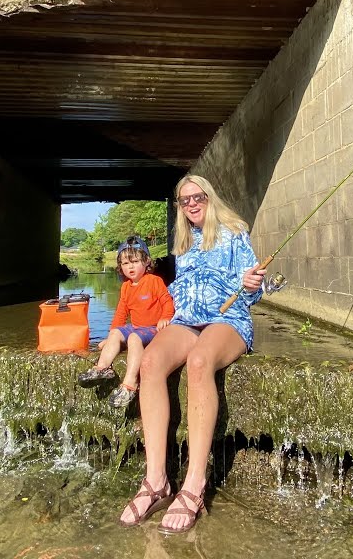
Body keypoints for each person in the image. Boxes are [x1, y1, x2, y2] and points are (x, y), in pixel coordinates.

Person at [117, 175, 266, 534]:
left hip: (227, 319)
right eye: (185, 200)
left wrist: (253, 284)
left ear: (209, 198)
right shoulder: (183, 242)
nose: (192, 204)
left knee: (199, 361)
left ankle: (194, 483)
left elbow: (257, 290)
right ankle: (156, 481)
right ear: (180, 207)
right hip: (185, 321)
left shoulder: (234, 232)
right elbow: (181, 289)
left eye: (198, 197)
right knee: (150, 361)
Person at [78, 236, 173, 408]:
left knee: (134, 338)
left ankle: (130, 383)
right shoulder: (125, 287)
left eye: (135, 261)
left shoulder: (154, 281)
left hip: (152, 328)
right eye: (125, 263)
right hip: (136, 326)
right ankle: (102, 368)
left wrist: (165, 317)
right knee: (116, 333)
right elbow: (121, 313)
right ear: (120, 267)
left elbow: (167, 301)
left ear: (146, 262)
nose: (130, 267)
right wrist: (110, 338)